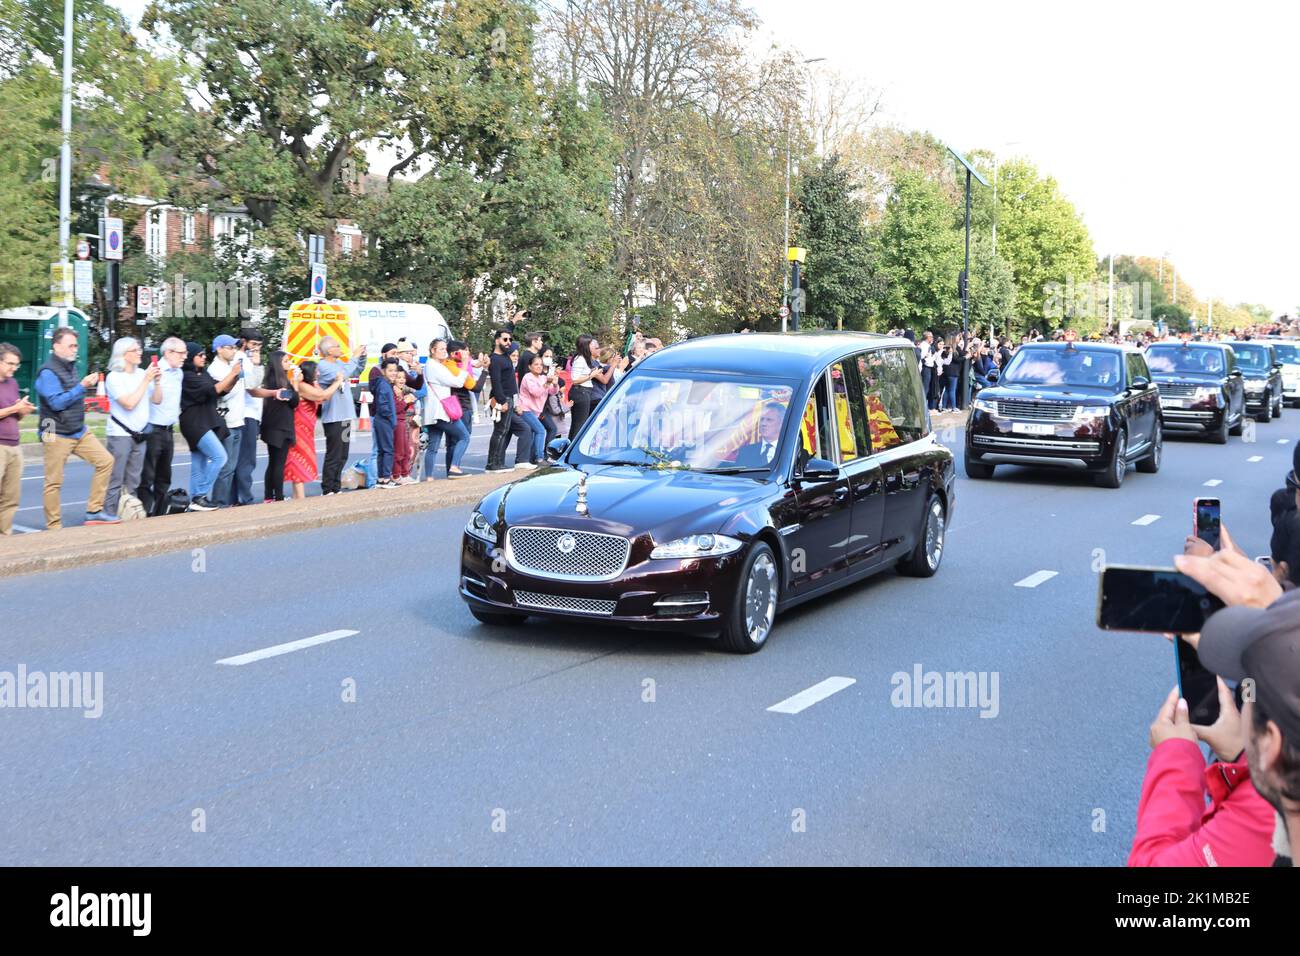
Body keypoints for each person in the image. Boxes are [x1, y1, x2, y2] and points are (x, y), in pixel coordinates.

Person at [36, 327, 118, 527]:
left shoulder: (70, 366)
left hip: (77, 429)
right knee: (53, 481)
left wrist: (82, 393)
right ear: (56, 346)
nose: (75, 350)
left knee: (105, 461)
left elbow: (71, 397)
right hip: (53, 430)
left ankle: (94, 511)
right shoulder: (47, 372)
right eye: (71, 345)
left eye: (76, 346)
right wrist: (82, 387)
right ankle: (54, 526)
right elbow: (56, 403)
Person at [103, 336, 161, 518]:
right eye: (135, 350)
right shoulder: (114, 377)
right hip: (120, 434)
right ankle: (109, 514)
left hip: (140, 434)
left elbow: (157, 400)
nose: (140, 353)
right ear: (123, 354)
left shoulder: (141, 373)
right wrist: (146, 380)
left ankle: (128, 514)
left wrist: (157, 382)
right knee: (116, 479)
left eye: (140, 349)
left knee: (133, 480)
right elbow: (129, 403)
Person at [179, 342, 240, 511]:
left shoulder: (202, 373)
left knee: (199, 462)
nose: (204, 357)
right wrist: (232, 373)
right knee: (220, 457)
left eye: (204, 354)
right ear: (191, 357)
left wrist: (235, 377)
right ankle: (200, 495)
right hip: (194, 422)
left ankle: (194, 500)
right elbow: (213, 390)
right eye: (200, 355)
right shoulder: (188, 376)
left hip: (203, 421)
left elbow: (222, 388)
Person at [136, 337, 185, 516]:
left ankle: (159, 511)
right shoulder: (152, 372)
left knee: (164, 475)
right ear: (168, 353)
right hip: (153, 429)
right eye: (181, 353)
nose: (184, 357)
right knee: (148, 475)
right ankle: (143, 511)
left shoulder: (178, 373)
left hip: (169, 429)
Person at [315, 336, 366, 495]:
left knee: (343, 453)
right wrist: (354, 357)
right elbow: (343, 374)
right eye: (337, 346)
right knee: (334, 453)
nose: (340, 348)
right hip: (333, 417)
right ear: (329, 350)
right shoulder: (323, 366)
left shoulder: (338, 363)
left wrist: (362, 357)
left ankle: (335, 486)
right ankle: (327, 487)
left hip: (345, 416)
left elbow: (355, 370)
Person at [284, 360, 342, 499]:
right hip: (298, 428)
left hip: (307, 429)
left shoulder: (310, 384)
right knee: (298, 461)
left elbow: (321, 397)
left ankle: (297, 497)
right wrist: (337, 382)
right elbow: (322, 396)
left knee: (302, 460)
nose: (319, 373)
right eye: (316, 371)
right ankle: (300, 498)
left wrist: (317, 382)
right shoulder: (302, 386)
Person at [248, 350, 300, 502]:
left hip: (272, 426)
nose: (289, 363)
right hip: (280, 427)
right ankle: (278, 497)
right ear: (278, 364)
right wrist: (296, 382)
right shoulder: (279, 383)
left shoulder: (272, 380)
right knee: (278, 463)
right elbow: (294, 401)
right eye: (286, 361)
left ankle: (269, 496)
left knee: (273, 462)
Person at [419, 339, 472, 479]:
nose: (444, 351)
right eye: (441, 349)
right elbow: (458, 382)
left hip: (432, 412)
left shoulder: (430, 365)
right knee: (464, 436)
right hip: (442, 412)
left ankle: (429, 477)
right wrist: (465, 364)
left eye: (445, 349)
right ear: (432, 350)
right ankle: (454, 467)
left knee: (433, 446)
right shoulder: (435, 367)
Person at [207, 334, 246, 506]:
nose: (233, 351)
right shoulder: (215, 369)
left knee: (231, 466)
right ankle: (219, 502)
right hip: (226, 421)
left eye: (235, 347)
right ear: (219, 349)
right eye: (230, 347)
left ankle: (224, 501)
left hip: (237, 419)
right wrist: (233, 374)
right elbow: (220, 392)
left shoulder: (232, 366)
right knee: (226, 466)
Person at [0, 342, 34, 535]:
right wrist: (14, 408)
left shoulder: (12, 383)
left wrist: (22, 410)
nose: (14, 368)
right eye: (10, 363)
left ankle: (5, 536)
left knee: (11, 497)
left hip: (14, 445)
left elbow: (15, 415)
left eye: (16, 364)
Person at [486, 328, 530, 471]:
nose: (508, 342)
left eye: (510, 340)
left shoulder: (505, 356)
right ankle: (493, 463)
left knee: (503, 431)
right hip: (503, 398)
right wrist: (501, 401)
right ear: (497, 340)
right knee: (500, 431)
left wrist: (514, 322)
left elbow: (505, 330)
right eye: (505, 339)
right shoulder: (496, 359)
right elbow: (496, 382)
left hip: (509, 398)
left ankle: (498, 462)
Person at [232, 330, 264, 506]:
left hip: (249, 414)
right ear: (243, 342)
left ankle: (235, 498)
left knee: (239, 459)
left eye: (259, 345)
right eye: (254, 344)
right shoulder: (242, 359)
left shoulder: (244, 359)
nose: (256, 349)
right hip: (246, 414)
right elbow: (252, 385)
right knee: (246, 460)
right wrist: (258, 365)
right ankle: (245, 498)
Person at [446, 339, 484, 471]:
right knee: (463, 437)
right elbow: (475, 387)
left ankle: (450, 469)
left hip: (452, 407)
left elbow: (475, 364)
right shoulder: (456, 367)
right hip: (461, 407)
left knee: (452, 442)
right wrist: (485, 371)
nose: (466, 354)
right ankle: (454, 467)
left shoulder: (447, 364)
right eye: (463, 352)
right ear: (454, 353)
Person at [568, 333, 609, 439]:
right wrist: (591, 375)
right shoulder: (580, 359)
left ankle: (570, 448)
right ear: (586, 345)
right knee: (579, 425)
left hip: (585, 392)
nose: (594, 347)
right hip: (580, 392)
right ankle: (571, 450)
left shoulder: (585, 359)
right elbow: (575, 380)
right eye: (591, 344)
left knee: (579, 424)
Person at [517, 353, 556, 465]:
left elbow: (552, 392)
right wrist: (547, 384)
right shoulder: (528, 377)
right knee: (540, 430)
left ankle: (531, 458)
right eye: (536, 364)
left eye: (541, 364)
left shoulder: (543, 377)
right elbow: (536, 393)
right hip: (526, 409)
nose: (539, 366)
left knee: (535, 433)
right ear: (530, 366)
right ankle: (539, 458)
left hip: (536, 411)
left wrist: (555, 384)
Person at [371, 358, 400, 488]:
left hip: (381, 420)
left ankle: (382, 478)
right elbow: (383, 405)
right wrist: (390, 417)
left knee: (382, 451)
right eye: (390, 370)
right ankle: (386, 478)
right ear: (383, 371)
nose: (393, 373)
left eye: (395, 370)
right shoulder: (384, 385)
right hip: (384, 421)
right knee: (388, 450)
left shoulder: (382, 383)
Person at [733, 403, 785, 468]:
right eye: (762, 419)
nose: (763, 423)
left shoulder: (790, 452)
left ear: (782, 423)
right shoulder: (745, 452)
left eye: (769, 420)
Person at [538, 346, 565, 447]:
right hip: (538, 407)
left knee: (553, 429)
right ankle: (541, 454)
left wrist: (555, 383)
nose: (548, 358)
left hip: (548, 406)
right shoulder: (538, 371)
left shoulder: (551, 370)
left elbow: (555, 388)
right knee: (546, 429)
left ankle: (545, 453)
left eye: (550, 356)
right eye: (546, 356)